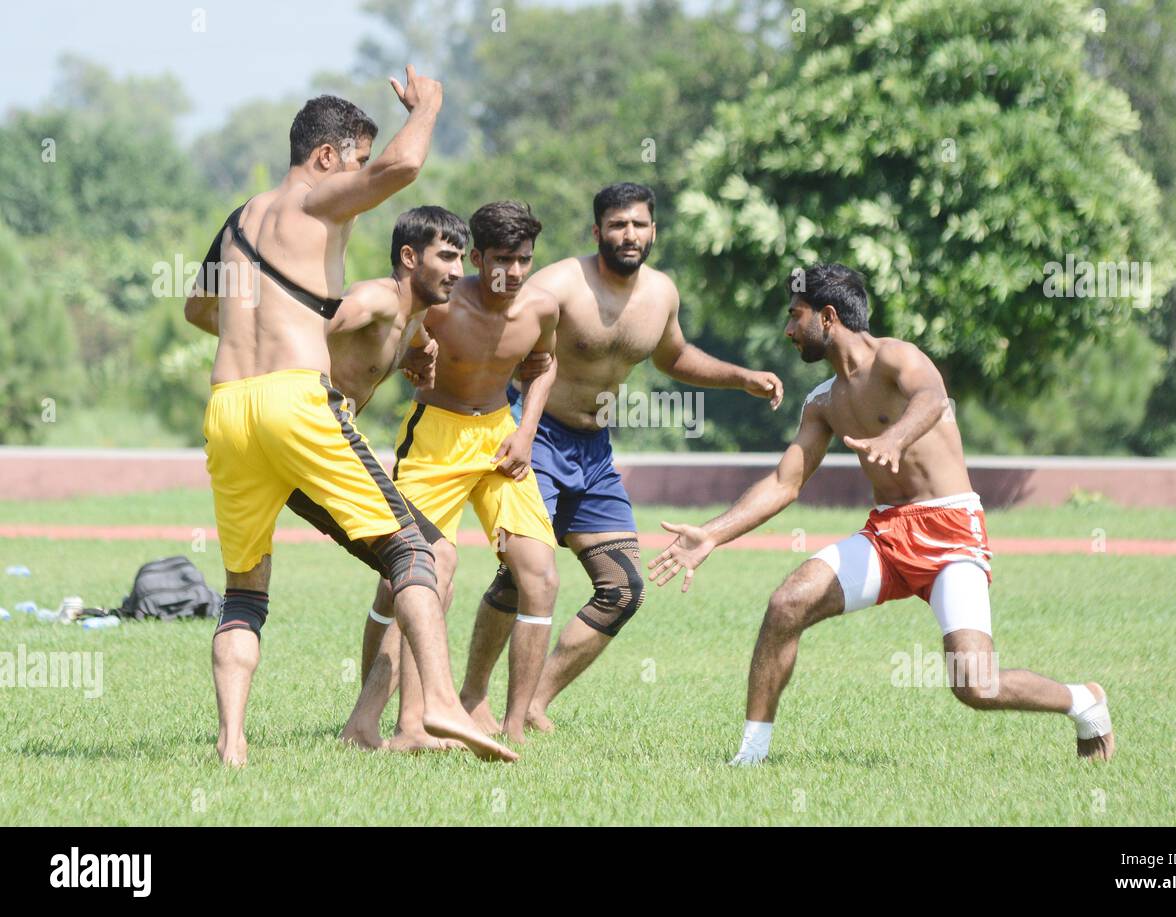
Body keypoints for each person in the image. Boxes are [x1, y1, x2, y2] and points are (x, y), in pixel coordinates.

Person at [648, 262, 1116, 765]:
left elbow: (933, 398)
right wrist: (713, 535)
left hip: (951, 531)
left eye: (794, 316)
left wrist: (895, 437)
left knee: (975, 686)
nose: (787, 330)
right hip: (887, 536)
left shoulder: (897, 357)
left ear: (828, 317)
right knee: (787, 604)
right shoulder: (822, 401)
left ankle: (1084, 701)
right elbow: (786, 482)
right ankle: (751, 755)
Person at [185, 71, 515, 764]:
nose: (362, 176)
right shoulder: (318, 200)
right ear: (327, 157)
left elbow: (196, 308)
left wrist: (261, 324)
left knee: (244, 590)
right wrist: (429, 106)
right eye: (355, 160)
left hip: (226, 408)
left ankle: (232, 743)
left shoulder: (241, 216)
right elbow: (406, 164)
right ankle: (442, 704)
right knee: (416, 550)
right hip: (293, 401)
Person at [452, 182, 785, 733]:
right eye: (617, 225)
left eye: (638, 224)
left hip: (595, 451)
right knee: (522, 577)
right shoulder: (557, 284)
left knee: (623, 589)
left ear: (654, 231)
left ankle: (535, 702)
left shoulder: (661, 294)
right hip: (534, 436)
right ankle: (472, 698)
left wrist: (740, 378)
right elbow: (504, 342)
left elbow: (673, 355)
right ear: (597, 231)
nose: (628, 234)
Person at [342, 200, 561, 746]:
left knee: (539, 574)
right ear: (477, 257)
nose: (512, 272)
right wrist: (414, 356)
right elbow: (396, 335)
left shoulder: (541, 309)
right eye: (500, 260)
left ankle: (512, 726)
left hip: (500, 438)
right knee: (405, 578)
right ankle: (382, 719)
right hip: (435, 436)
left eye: (524, 259)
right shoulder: (441, 303)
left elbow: (545, 364)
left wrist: (526, 429)